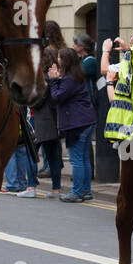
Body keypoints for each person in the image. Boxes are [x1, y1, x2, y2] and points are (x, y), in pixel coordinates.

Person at [49, 47, 96, 202]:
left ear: (65, 60)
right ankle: (85, 191)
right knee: (83, 158)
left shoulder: (69, 79)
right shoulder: (77, 75)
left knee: (76, 159)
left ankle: (77, 192)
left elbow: (57, 98)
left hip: (76, 123)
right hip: (86, 120)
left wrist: (53, 81)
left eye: (60, 58)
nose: (58, 60)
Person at [33, 46, 64, 197]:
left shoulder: (43, 77)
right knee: (53, 156)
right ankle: (56, 189)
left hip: (41, 120)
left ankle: (30, 187)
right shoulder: (58, 75)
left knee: (31, 153)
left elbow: (37, 102)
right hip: (54, 119)